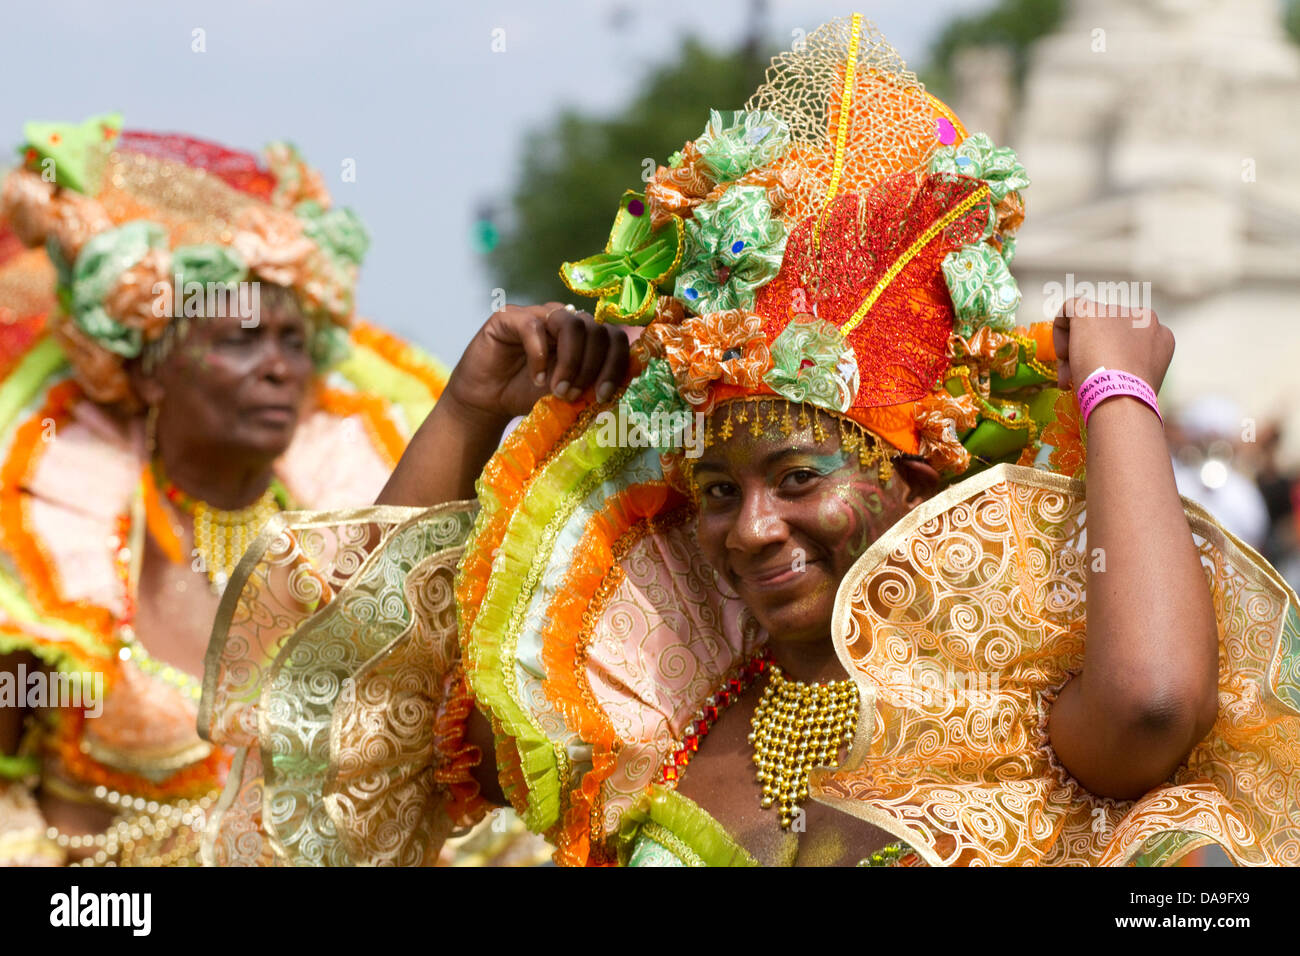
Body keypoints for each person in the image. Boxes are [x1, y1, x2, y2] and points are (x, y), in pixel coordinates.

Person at [200, 16, 1299, 866]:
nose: (750, 526)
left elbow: (1154, 700)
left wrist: (1115, 391)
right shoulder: (657, 715)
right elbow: (354, 717)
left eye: (797, 475)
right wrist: (467, 410)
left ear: (910, 474)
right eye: (716, 488)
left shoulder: (1000, 716)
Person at [0, 116, 579, 865]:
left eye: (295, 341)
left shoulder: (349, 517)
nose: (280, 367)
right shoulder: (53, 547)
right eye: (240, 339)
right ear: (147, 366)